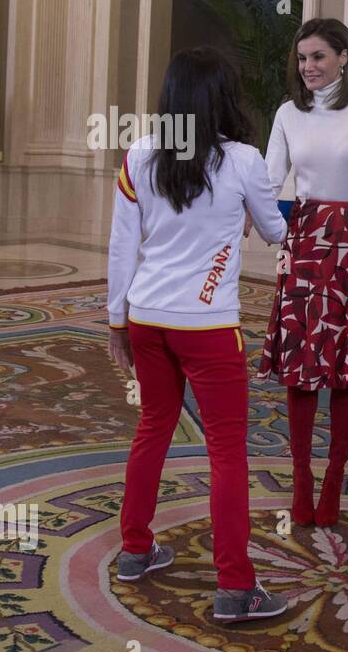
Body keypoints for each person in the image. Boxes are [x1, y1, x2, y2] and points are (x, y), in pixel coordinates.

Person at [106, 46, 288, 622]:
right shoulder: (243, 160)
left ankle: (135, 550)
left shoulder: (138, 155)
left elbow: (120, 247)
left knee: (153, 428)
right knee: (227, 451)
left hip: (146, 317)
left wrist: (116, 322)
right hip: (207, 327)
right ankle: (236, 586)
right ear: (224, 98)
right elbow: (276, 230)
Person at [256, 18, 348, 529]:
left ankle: (334, 481)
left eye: (318, 56)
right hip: (308, 246)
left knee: (346, 368)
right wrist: (281, 242)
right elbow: (269, 185)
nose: (308, 67)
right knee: (299, 367)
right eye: (301, 59)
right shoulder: (288, 114)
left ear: (343, 57)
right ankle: (300, 483)